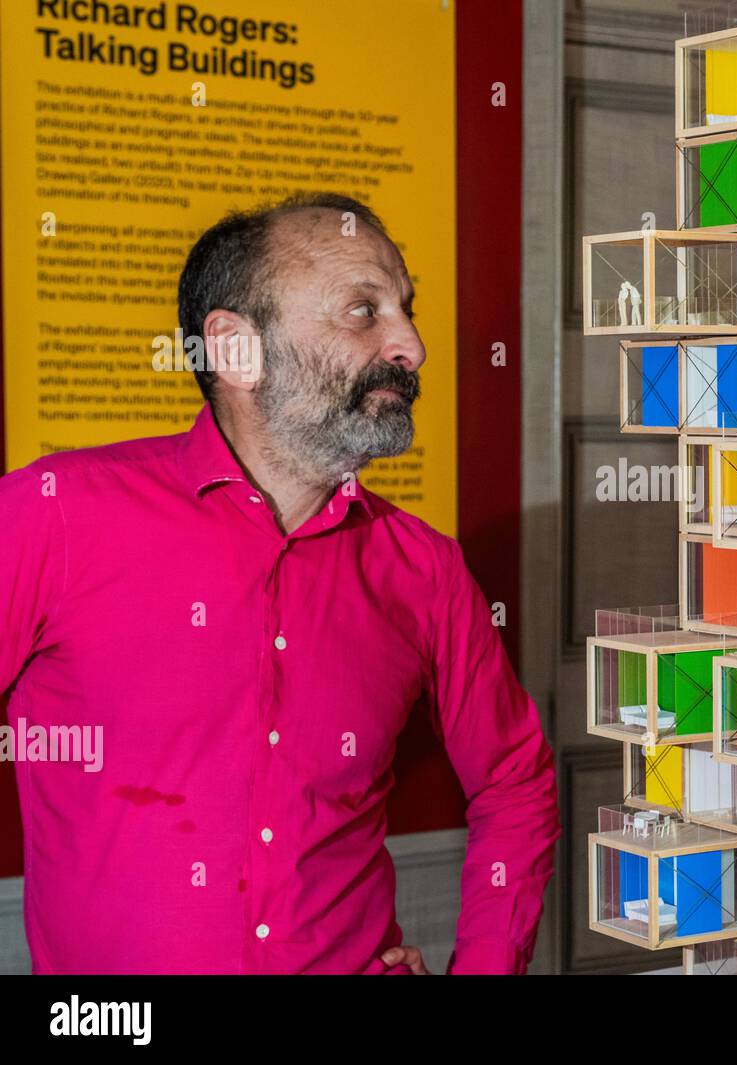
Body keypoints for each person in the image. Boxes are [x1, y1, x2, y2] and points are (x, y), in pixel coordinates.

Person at [0, 192, 560, 974]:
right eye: (362, 310)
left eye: (404, 307)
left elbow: (512, 781)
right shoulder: (51, 518)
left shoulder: (424, 566)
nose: (412, 345)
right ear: (234, 349)